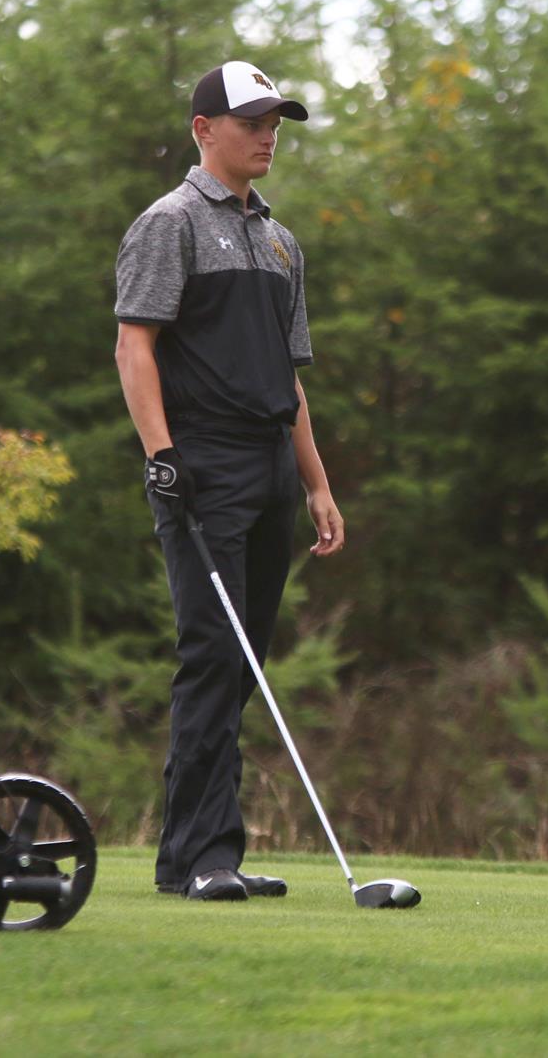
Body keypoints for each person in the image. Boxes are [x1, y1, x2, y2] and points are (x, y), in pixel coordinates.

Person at [114, 59, 346, 902]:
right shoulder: (167, 223)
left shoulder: (281, 241)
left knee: (241, 663)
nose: (268, 133)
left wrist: (316, 483)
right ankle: (203, 854)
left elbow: (288, 380)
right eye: (251, 120)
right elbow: (133, 346)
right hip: (200, 461)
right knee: (213, 653)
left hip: (270, 465)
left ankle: (203, 856)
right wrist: (161, 454)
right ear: (203, 130)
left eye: (275, 119)